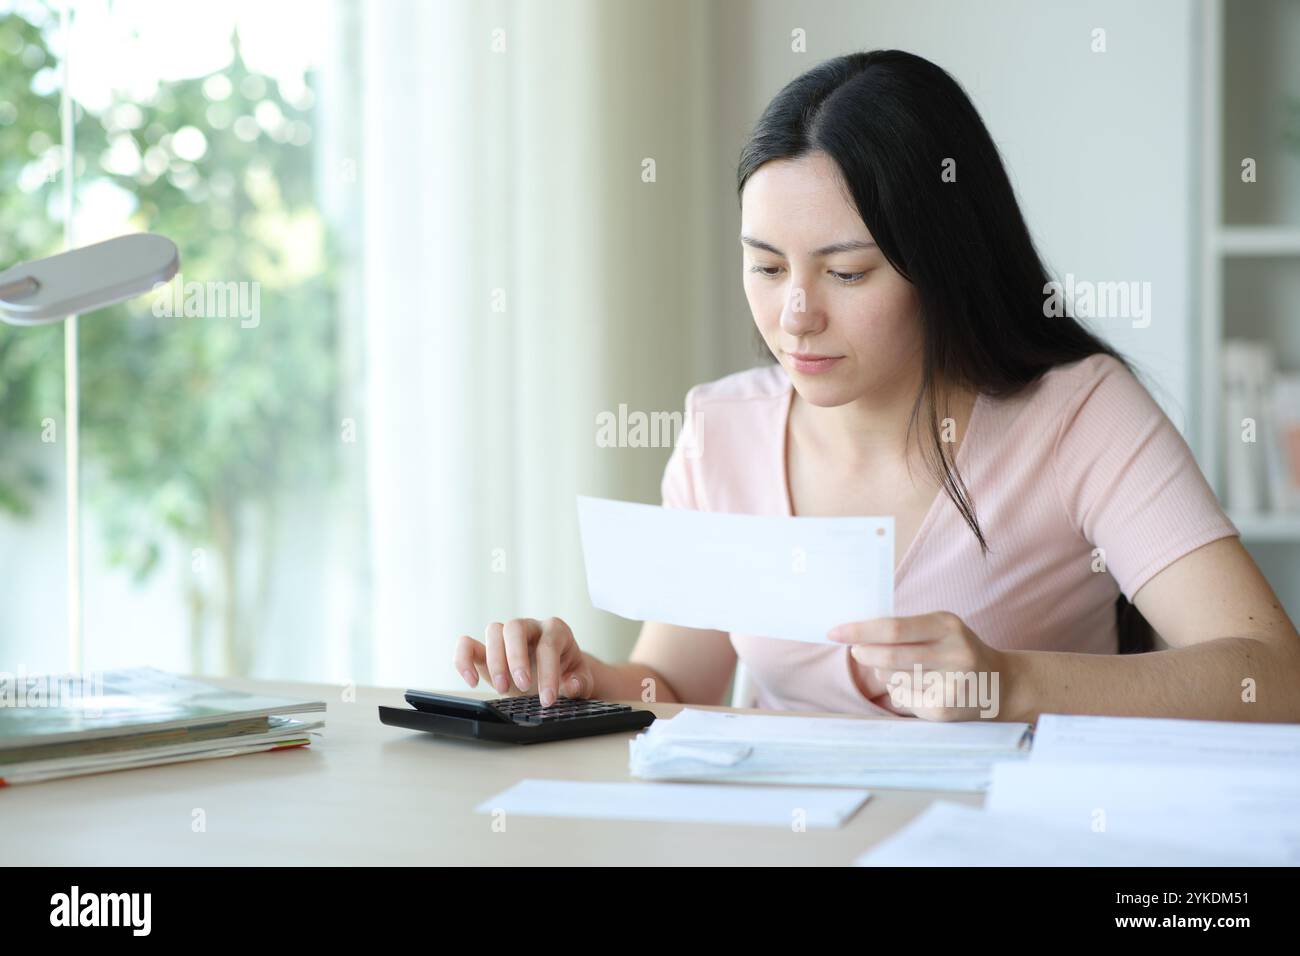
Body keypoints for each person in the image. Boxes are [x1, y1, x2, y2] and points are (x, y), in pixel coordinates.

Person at [453, 50, 1300, 722]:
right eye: (766, 267)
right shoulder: (724, 433)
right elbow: (673, 686)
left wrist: (1011, 683)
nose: (795, 316)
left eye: (847, 273)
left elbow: (1273, 677)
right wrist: (580, 678)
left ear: (942, 261)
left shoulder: (1081, 414)